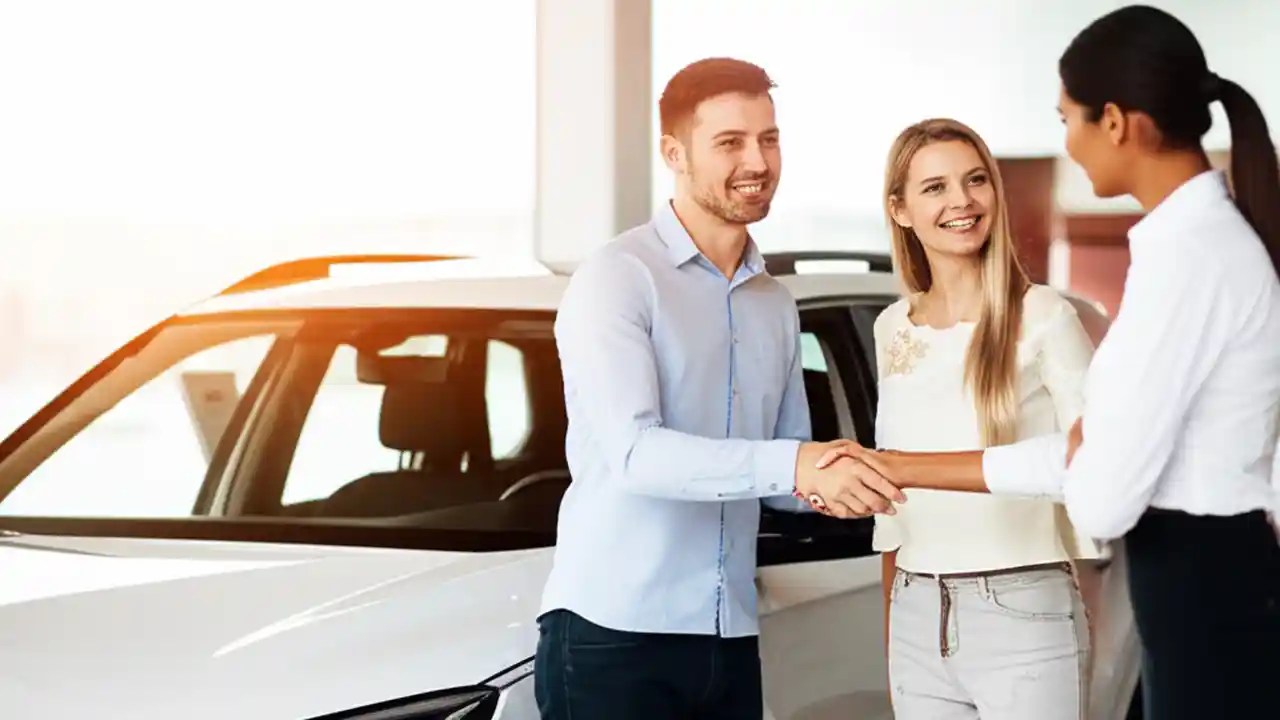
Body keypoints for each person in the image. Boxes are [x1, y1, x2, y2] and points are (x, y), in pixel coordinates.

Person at [818, 7, 1280, 719]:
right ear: (901, 208)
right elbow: (1083, 463)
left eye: (1068, 118)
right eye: (934, 187)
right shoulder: (1183, 249)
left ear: (1118, 122)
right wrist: (904, 469)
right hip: (1165, 580)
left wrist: (1089, 457)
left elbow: (1098, 499)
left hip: (1169, 582)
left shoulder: (1185, 261)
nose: (1066, 139)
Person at [534, 57, 903, 720]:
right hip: (613, 638)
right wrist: (797, 462)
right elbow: (635, 454)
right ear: (673, 152)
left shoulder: (775, 305)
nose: (757, 161)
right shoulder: (618, 278)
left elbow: (783, 478)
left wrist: (866, 479)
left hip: (729, 638)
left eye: (769, 138)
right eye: (729, 142)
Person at [869, 117, 1101, 720]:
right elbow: (892, 513)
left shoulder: (1045, 316)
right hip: (916, 610)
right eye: (935, 187)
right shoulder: (891, 327)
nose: (961, 202)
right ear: (900, 210)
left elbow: (1096, 473)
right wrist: (895, 629)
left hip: (1024, 605)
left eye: (976, 181)